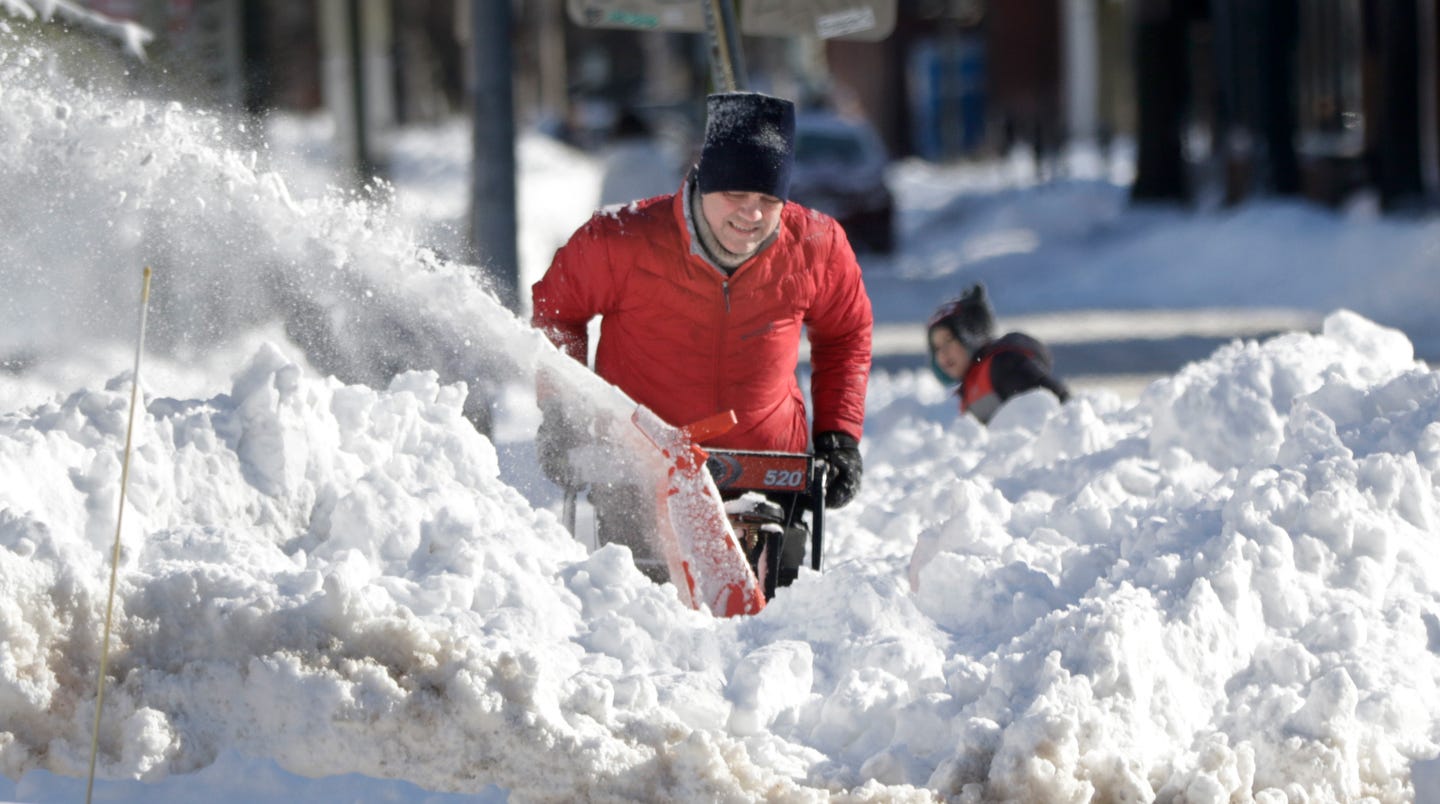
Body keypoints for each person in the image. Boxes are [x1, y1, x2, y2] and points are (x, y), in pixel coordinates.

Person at [532, 91, 873, 592]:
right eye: (736, 196)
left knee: (765, 637)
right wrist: (565, 411)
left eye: (768, 200)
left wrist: (838, 435)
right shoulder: (620, 238)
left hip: (768, 473)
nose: (752, 215)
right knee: (646, 622)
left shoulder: (817, 244)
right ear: (703, 181)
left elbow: (845, 333)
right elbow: (558, 313)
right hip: (640, 474)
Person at [926, 282, 1069, 423]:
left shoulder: (1002, 365)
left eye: (949, 340)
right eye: (936, 348)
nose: (943, 353)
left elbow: (1057, 401)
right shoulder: (967, 389)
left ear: (971, 333)